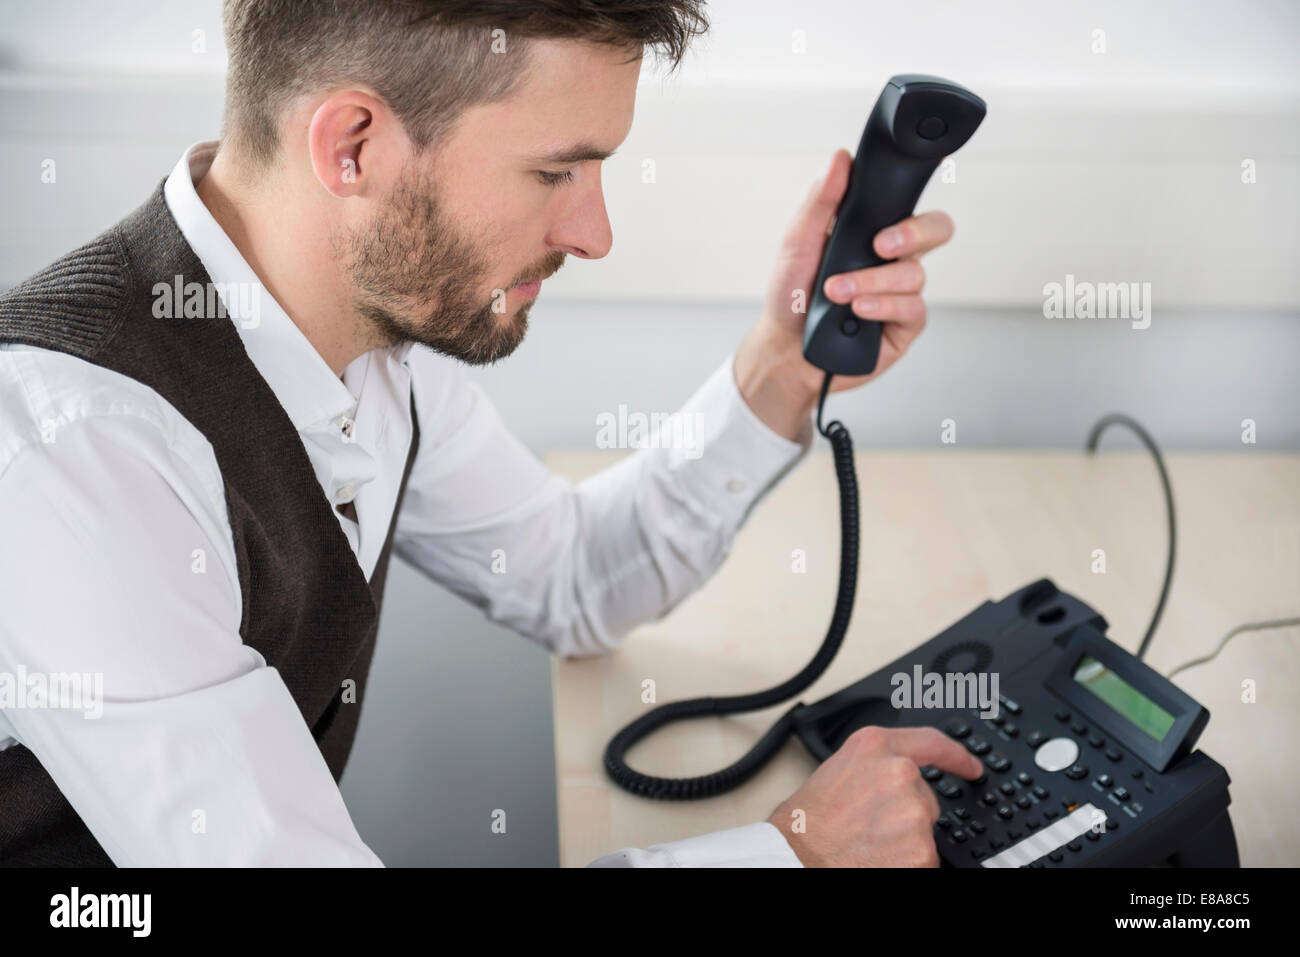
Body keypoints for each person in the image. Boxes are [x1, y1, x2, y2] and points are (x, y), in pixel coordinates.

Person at [0, 0, 977, 867]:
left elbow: (573, 578)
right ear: (353, 146)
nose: (595, 235)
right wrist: (790, 855)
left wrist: (785, 358)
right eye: (554, 170)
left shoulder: (368, 327)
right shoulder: (73, 457)